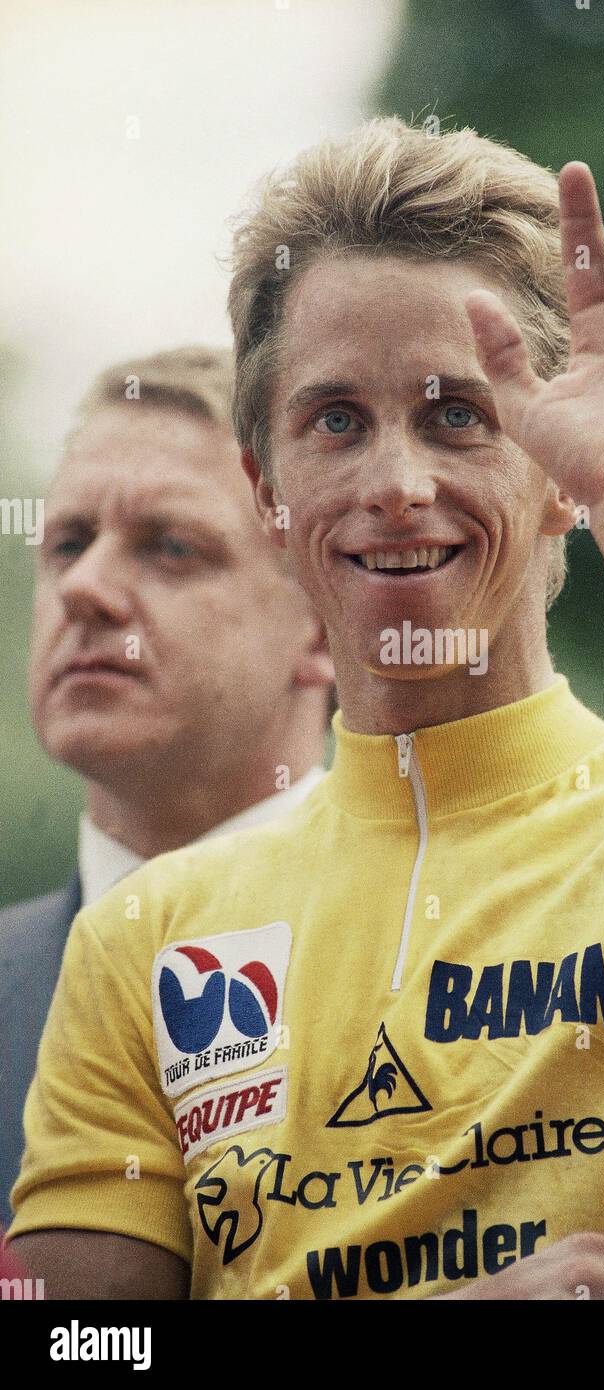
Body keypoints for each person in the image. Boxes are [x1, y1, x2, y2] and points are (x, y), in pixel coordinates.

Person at [7, 121, 604, 1301]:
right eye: (337, 421)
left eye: (458, 413)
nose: (396, 486)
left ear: (556, 464)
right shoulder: (141, 938)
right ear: (267, 490)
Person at [0, 346, 334, 1225]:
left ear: (327, 628)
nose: (85, 588)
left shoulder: (479, 959)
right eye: (67, 542)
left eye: (170, 547)